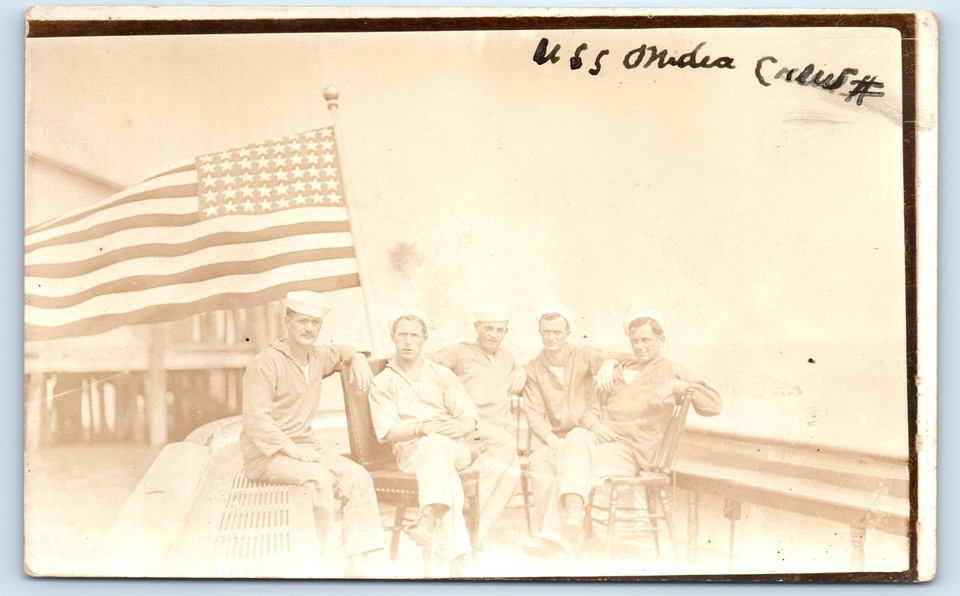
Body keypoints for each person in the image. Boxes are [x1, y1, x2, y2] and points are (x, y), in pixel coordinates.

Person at [534, 310, 722, 556]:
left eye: (646, 340)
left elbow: (714, 404)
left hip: (634, 450)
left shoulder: (670, 370)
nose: (640, 346)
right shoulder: (619, 372)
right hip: (601, 440)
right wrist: (594, 426)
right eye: (635, 341)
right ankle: (571, 520)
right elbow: (589, 411)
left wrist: (676, 385)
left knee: (570, 461)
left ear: (661, 340)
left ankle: (562, 533)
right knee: (575, 438)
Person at [240, 291, 384, 577]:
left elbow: (342, 350)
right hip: (266, 455)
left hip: (305, 447)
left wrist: (355, 357)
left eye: (315, 324)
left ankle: (357, 558)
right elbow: (257, 422)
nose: (309, 329)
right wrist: (293, 451)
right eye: (303, 321)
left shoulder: (316, 356)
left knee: (356, 476)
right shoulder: (264, 363)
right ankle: (324, 561)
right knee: (319, 478)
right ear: (287, 322)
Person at [521, 305, 620, 541]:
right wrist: (552, 440)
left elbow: (612, 357)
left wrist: (608, 363)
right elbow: (534, 413)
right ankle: (553, 537)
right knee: (539, 463)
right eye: (547, 332)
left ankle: (572, 521)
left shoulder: (583, 355)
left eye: (557, 332)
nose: (552, 337)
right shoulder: (535, 367)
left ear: (567, 332)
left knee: (574, 448)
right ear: (540, 332)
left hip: (586, 433)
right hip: (555, 438)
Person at [429, 303, 522, 538]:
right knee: (507, 450)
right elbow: (428, 363)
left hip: (499, 432)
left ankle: (475, 533)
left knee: (512, 474)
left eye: (500, 330)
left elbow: (519, 367)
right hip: (472, 429)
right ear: (477, 327)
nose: (494, 335)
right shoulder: (460, 352)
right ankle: (463, 511)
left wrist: (522, 369)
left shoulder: (507, 356)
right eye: (489, 329)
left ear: (506, 332)